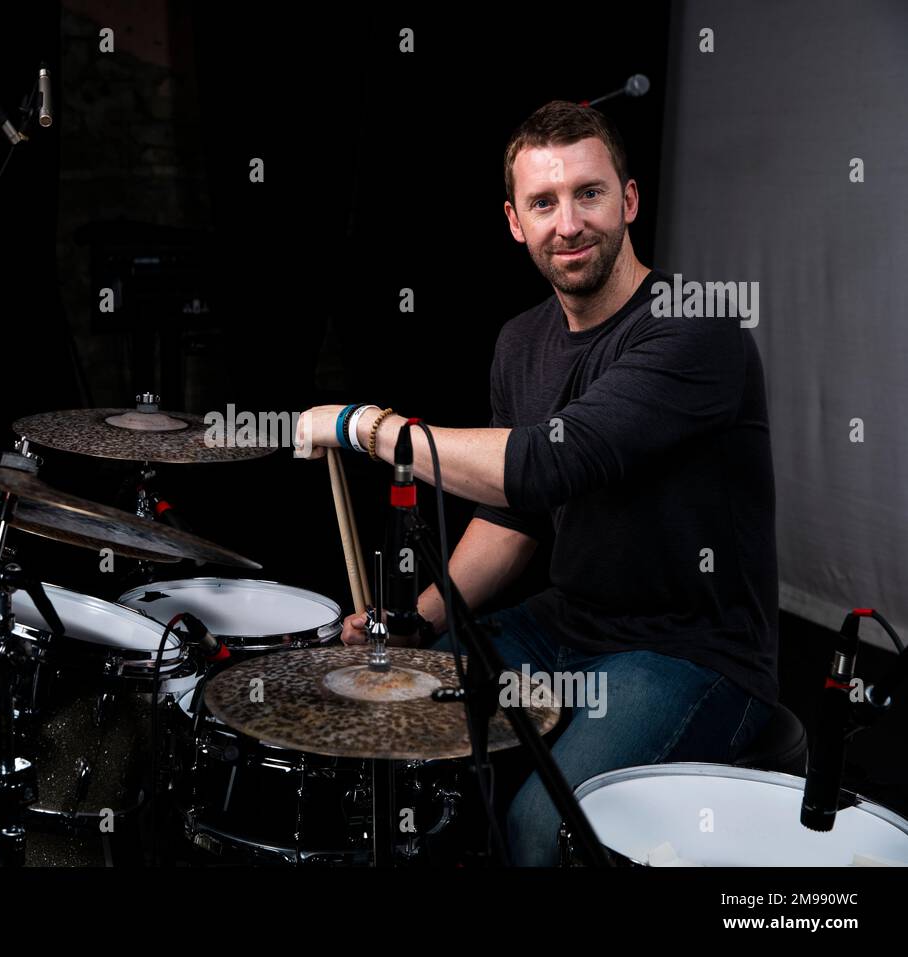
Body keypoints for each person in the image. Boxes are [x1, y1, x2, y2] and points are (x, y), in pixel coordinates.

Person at [293, 101, 778, 866]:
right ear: (515, 222)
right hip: (563, 624)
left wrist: (365, 426)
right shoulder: (521, 340)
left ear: (629, 200)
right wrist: (414, 620)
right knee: (382, 708)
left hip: (689, 651)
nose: (569, 223)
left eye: (589, 193)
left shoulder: (696, 326)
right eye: (544, 203)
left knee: (541, 827)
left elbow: (554, 461)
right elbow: (514, 514)